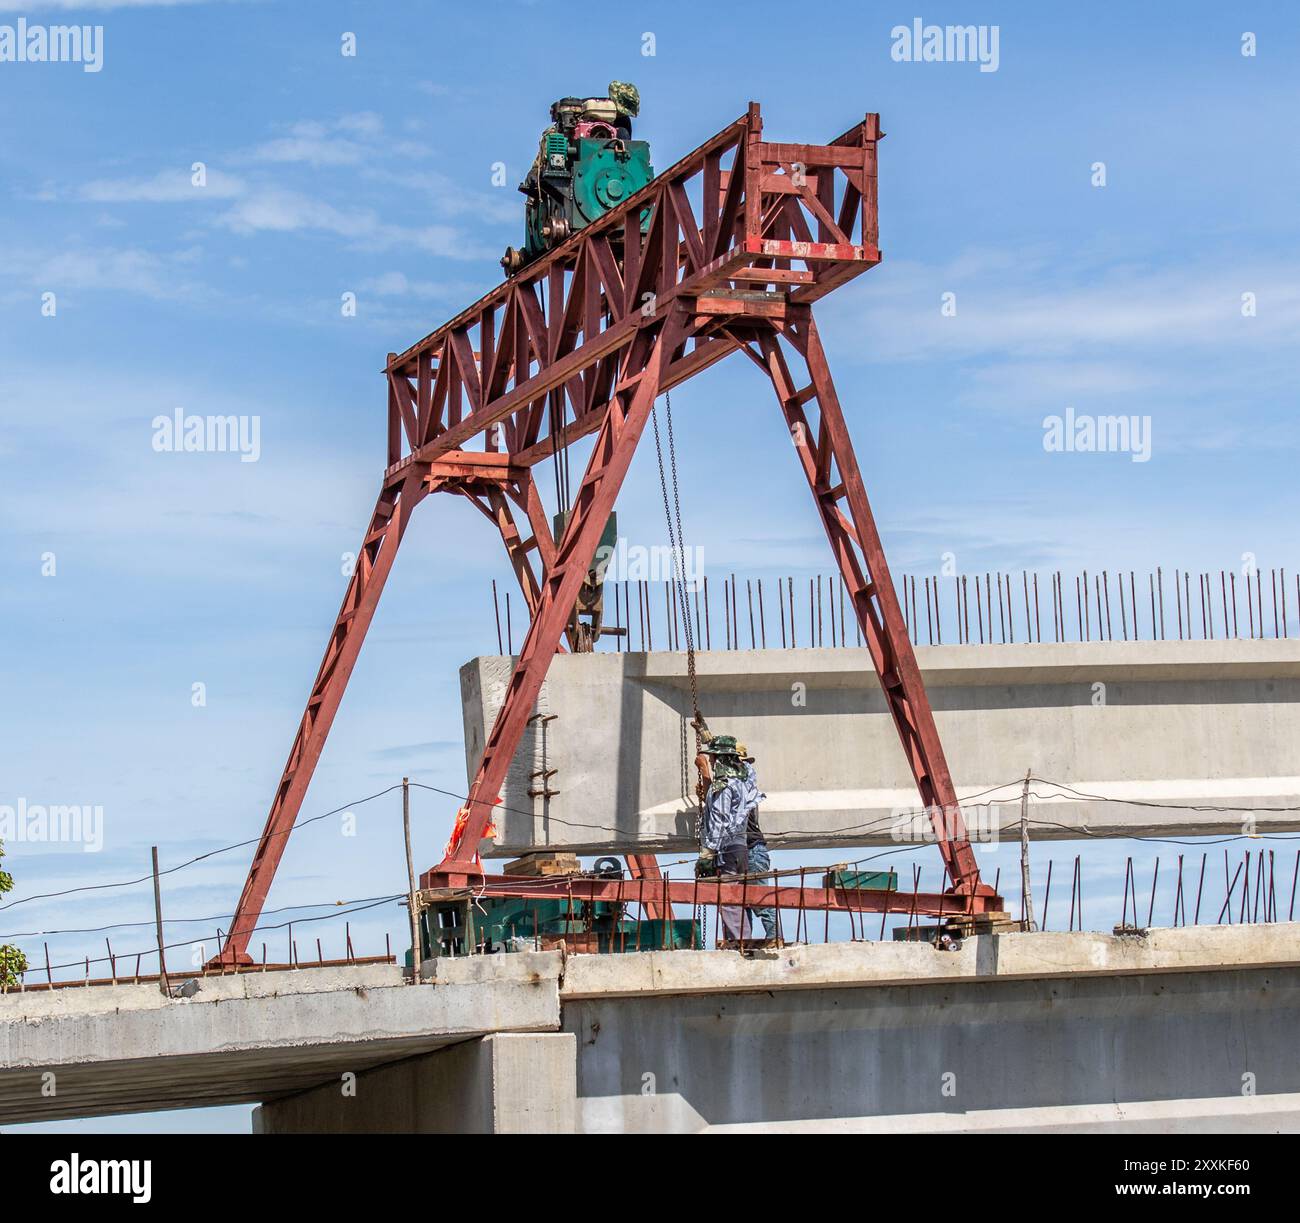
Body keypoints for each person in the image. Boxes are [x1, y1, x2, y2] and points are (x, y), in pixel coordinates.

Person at [695, 734, 750, 945]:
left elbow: (719, 820)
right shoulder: (740, 783)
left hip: (727, 848)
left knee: (728, 899)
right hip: (739, 847)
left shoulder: (724, 786)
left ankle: (739, 943)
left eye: (714, 759)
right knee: (738, 898)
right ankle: (741, 940)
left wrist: (707, 853)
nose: (712, 761)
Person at [737, 742, 777, 942]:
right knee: (742, 902)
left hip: (752, 850)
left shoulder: (744, 788)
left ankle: (773, 937)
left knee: (759, 899)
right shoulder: (744, 786)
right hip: (744, 852)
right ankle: (747, 941)